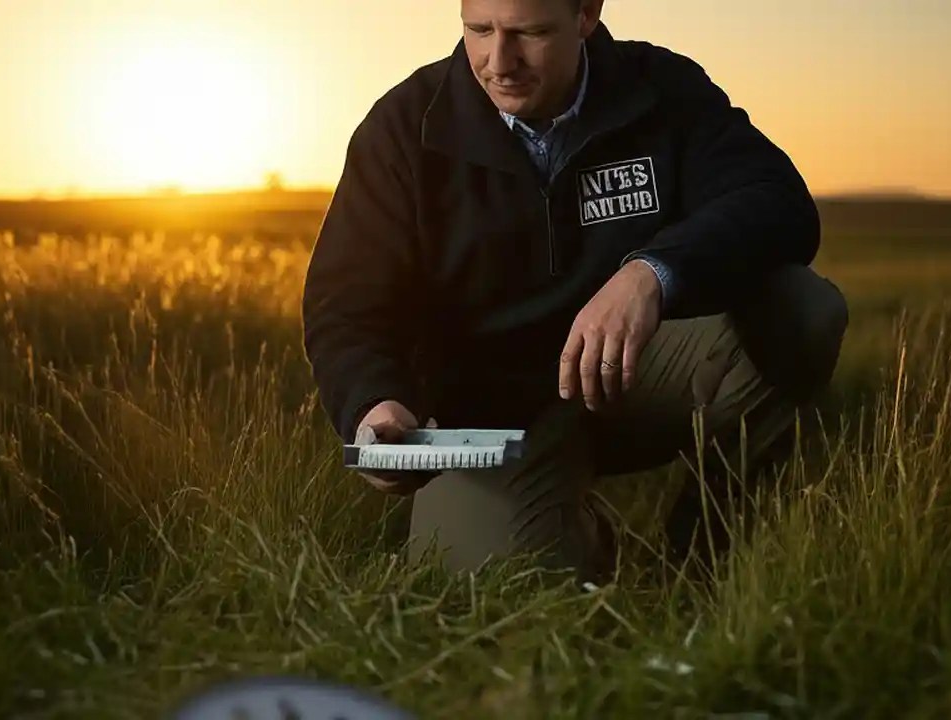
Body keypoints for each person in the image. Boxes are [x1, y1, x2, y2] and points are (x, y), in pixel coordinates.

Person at [300, 0, 848, 580]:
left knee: (803, 311)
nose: (498, 61)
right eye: (478, 30)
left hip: (635, 371)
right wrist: (372, 402)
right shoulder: (404, 125)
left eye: (529, 33)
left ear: (586, 14)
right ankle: (574, 528)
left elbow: (776, 200)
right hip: (496, 418)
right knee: (485, 582)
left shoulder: (663, 88)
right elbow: (345, 303)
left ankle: (707, 553)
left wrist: (652, 273)